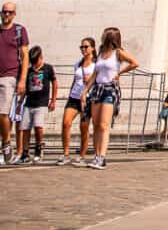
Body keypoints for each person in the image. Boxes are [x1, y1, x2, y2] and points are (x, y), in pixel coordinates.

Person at [81, 26, 139, 170]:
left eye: (105, 35)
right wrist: (85, 91)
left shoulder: (118, 53)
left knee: (104, 125)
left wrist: (120, 73)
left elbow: (135, 63)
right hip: (97, 89)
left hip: (110, 89)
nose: (102, 36)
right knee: (95, 124)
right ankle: (96, 155)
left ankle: (102, 157)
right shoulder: (100, 53)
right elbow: (95, 73)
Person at [58, 36, 96, 165]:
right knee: (65, 123)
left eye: (86, 47)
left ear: (93, 48)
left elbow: (99, 81)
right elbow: (75, 80)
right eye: (82, 47)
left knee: (83, 128)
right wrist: (69, 93)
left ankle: (82, 155)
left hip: (88, 98)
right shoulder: (78, 64)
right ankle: (66, 153)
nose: (83, 49)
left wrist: (91, 80)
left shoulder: (96, 65)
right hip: (74, 97)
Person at [18, 45, 57, 164]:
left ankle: (38, 148)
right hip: (29, 102)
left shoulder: (48, 68)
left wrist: (53, 100)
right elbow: (25, 88)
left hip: (41, 103)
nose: (34, 64)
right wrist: (20, 102)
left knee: (38, 126)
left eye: (36, 61)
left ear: (41, 57)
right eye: (32, 62)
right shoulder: (29, 70)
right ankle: (25, 152)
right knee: (25, 127)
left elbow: (55, 84)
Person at [0, 1, 29, 166]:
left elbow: (25, 56)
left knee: (3, 112)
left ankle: (5, 142)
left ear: (14, 14)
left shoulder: (19, 31)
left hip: (9, 76)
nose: (6, 15)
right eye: (4, 12)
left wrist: (22, 80)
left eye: (10, 12)